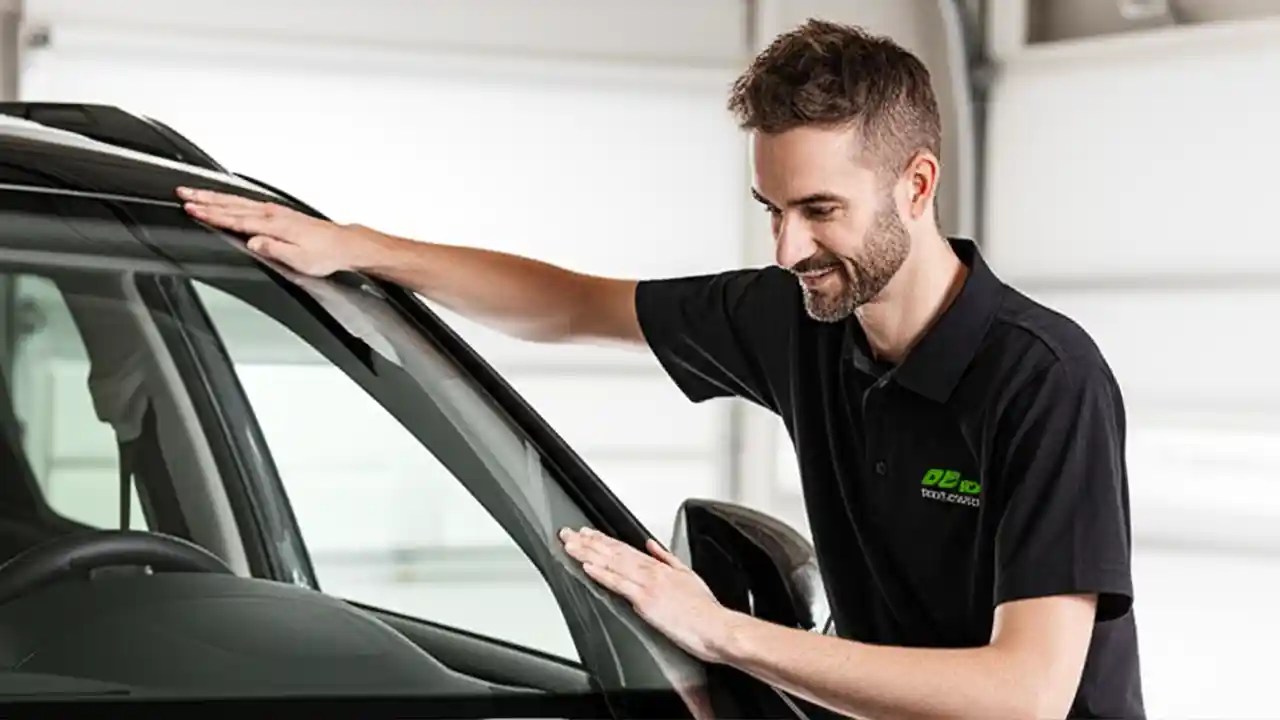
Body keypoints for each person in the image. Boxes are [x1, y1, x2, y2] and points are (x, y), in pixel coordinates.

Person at [176, 18, 1143, 720]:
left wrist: (722, 631)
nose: (783, 247)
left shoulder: (1044, 380)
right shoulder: (803, 315)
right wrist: (360, 246)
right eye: (769, 208)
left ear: (917, 184)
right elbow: (568, 304)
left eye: (817, 209)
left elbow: (1025, 694)